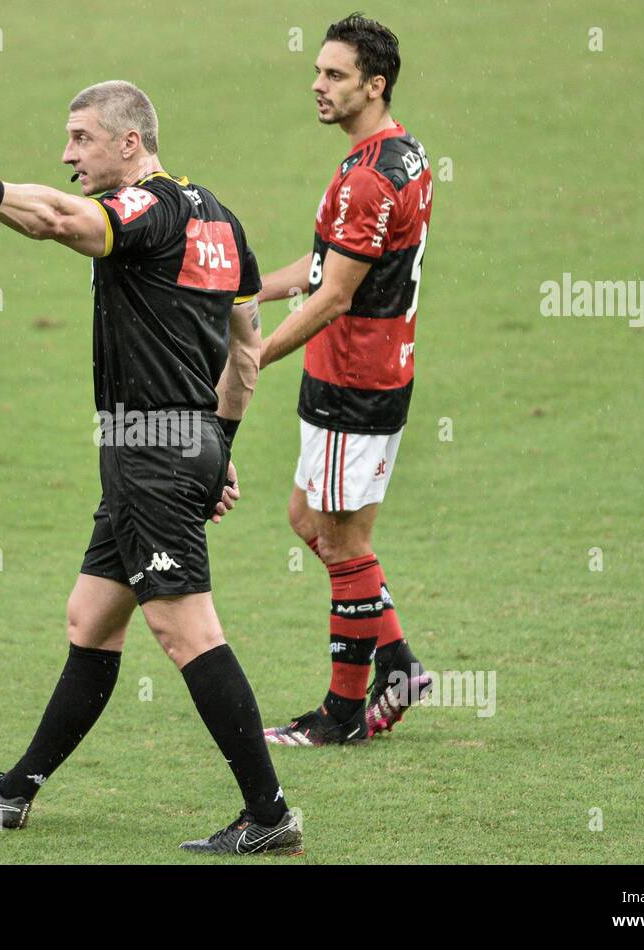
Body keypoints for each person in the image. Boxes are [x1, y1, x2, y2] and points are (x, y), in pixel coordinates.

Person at [0, 80, 301, 854]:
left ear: (130, 142)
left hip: (150, 450)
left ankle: (269, 810)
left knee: (185, 631)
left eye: (81, 138)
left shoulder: (146, 210)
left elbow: (56, 219)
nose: (67, 151)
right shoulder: (220, 219)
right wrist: (216, 451)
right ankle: (13, 794)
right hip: (178, 443)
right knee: (92, 619)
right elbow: (247, 351)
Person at [257, 15, 434, 747]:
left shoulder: (365, 180)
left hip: (353, 382)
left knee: (343, 543)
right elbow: (324, 266)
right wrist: (245, 290)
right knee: (313, 523)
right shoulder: (401, 153)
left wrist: (253, 356)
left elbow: (333, 296)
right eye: (319, 71)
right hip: (368, 373)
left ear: (374, 83)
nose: (317, 85)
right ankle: (397, 662)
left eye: (333, 75)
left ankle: (341, 712)